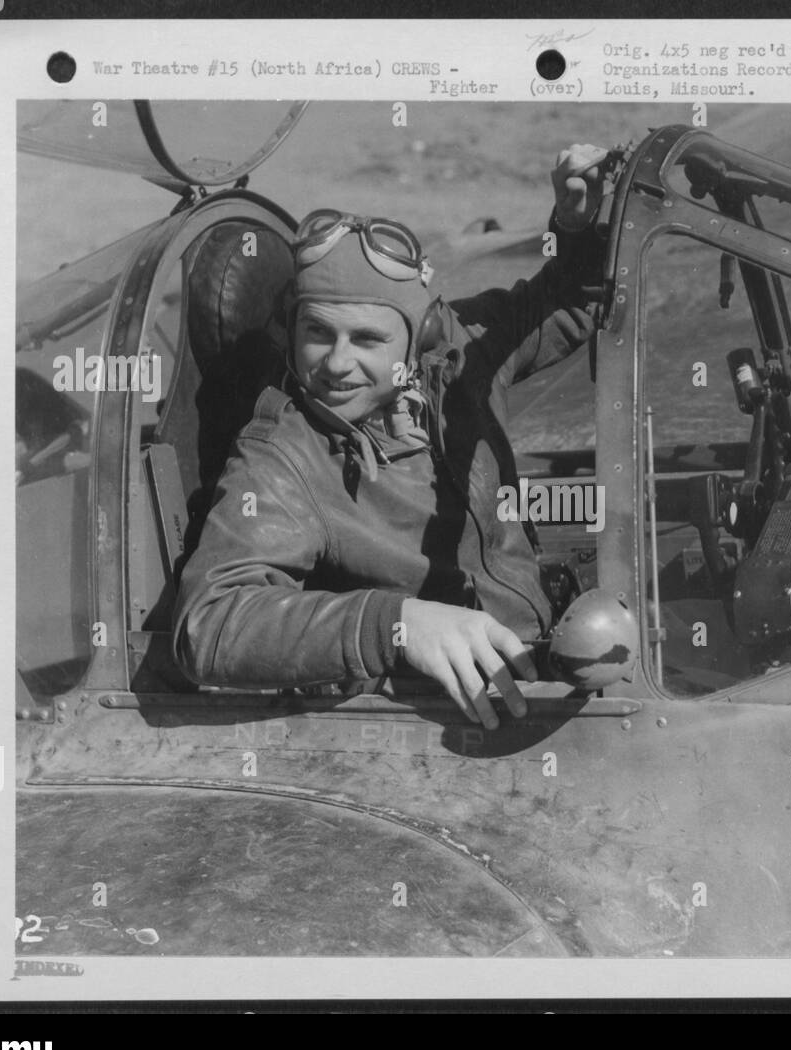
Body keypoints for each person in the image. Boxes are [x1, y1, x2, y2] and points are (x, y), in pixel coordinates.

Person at [172, 144, 612, 730]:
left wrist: (577, 227)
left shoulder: (457, 355)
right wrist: (396, 625)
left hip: (540, 653)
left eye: (366, 340)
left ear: (417, 339)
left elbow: (567, 303)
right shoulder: (284, 456)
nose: (336, 362)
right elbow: (211, 623)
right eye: (317, 332)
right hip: (453, 718)